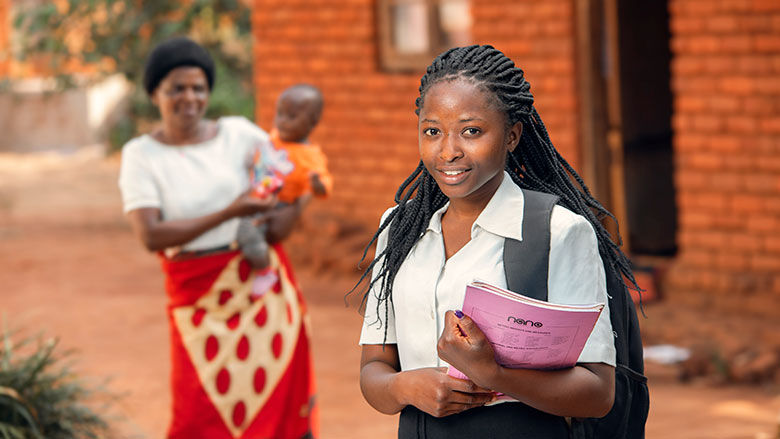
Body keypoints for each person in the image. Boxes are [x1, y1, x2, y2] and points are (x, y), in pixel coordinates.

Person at [356, 45, 639, 438]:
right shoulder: (400, 228)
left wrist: (493, 373)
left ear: (512, 136)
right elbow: (374, 370)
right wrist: (404, 386)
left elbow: (597, 393)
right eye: (432, 131)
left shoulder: (556, 232)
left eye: (471, 131)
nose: (449, 151)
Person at [118, 37, 318, 439]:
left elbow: (280, 198)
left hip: (265, 295)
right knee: (198, 416)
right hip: (198, 300)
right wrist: (231, 211)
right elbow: (151, 235)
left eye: (198, 87)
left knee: (282, 409)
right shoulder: (141, 155)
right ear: (155, 92)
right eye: (177, 87)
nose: (189, 97)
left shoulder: (238, 135)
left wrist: (302, 192)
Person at [236, 84, 332, 280]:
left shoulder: (310, 156)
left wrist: (316, 184)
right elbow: (262, 160)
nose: (282, 122)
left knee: (246, 231)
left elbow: (322, 188)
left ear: (313, 122)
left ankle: (264, 270)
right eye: (279, 114)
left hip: (276, 207)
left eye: (292, 117)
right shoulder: (273, 138)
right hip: (255, 197)